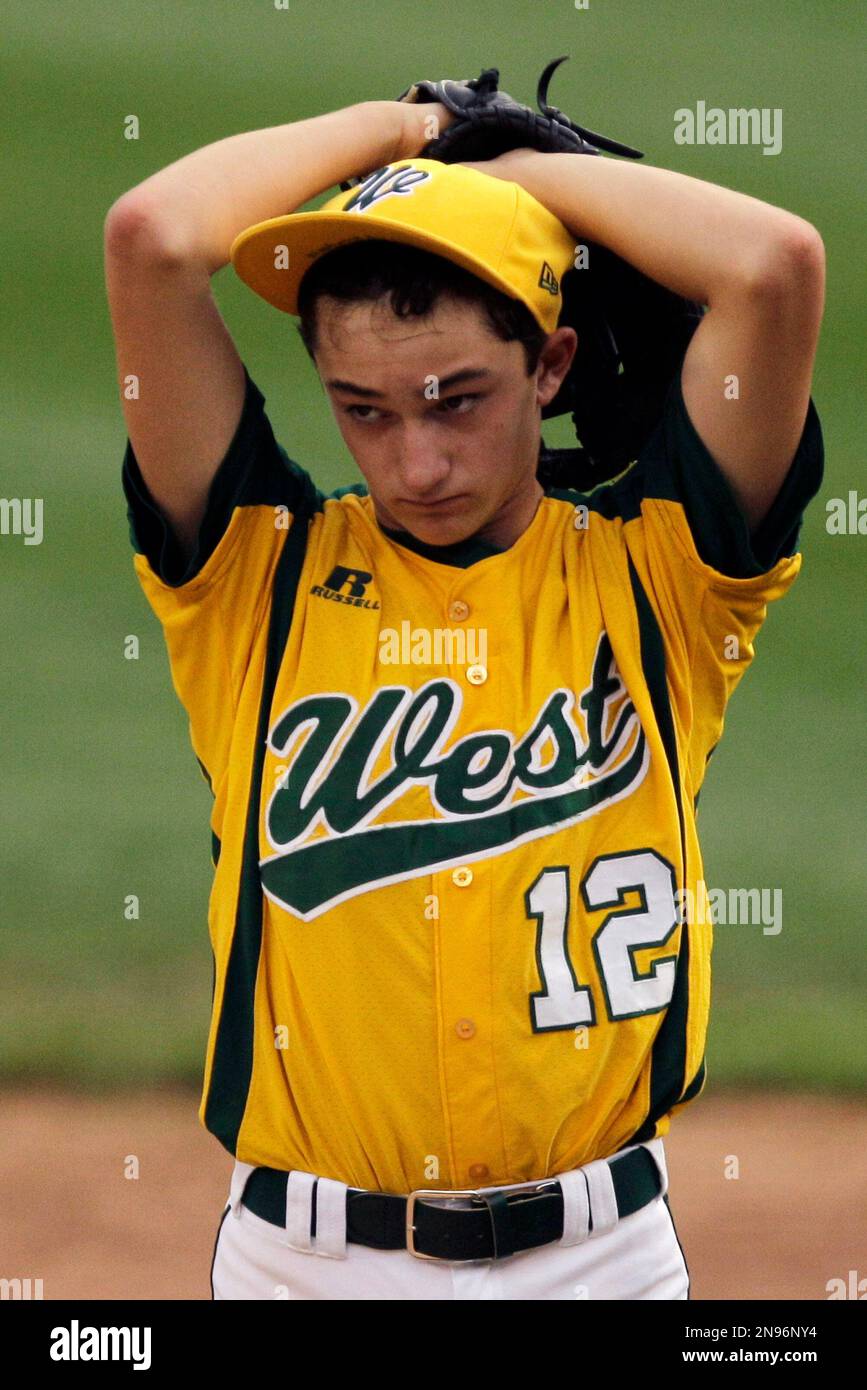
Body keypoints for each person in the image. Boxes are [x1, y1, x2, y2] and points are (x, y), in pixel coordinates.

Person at [103, 93, 825, 1300]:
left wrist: (528, 169)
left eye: (457, 397)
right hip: (303, 1270)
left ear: (550, 363)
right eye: (364, 412)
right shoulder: (251, 573)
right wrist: (409, 126)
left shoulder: (666, 575)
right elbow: (153, 238)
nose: (414, 462)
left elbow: (775, 263)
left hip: (603, 1266)